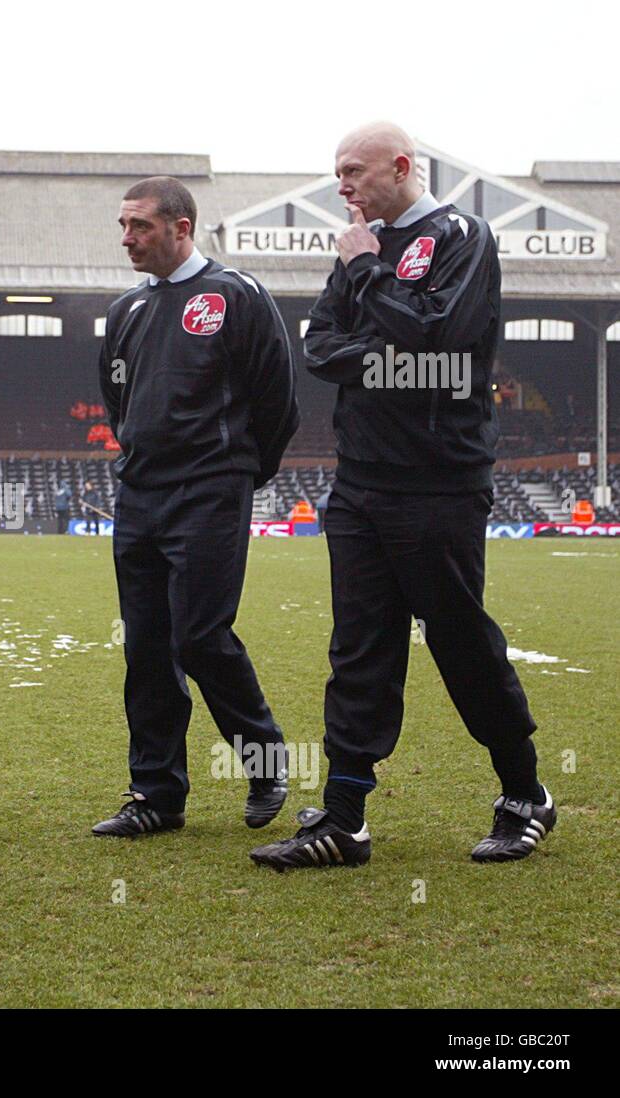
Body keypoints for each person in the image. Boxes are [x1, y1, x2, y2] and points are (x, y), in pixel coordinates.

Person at [252, 122, 551, 872]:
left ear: (402, 167)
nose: (342, 188)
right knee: (359, 646)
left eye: (353, 172)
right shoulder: (360, 248)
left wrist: (371, 283)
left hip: (439, 480)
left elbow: (443, 335)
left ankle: (525, 795)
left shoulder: (463, 236)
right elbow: (320, 345)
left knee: (457, 638)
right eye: (336, 175)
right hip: (361, 481)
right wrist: (390, 342)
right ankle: (345, 819)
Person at [94, 176, 299, 838]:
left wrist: (241, 470)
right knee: (147, 648)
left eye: (140, 226)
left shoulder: (236, 296)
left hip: (211, 489)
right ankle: (156, 795)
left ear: (182, 227)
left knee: (201, 636)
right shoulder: (125, 311)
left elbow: (278, 398)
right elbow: (117, 400)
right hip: (141, 495)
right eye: (123, 226)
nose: (127, 237)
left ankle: (266, 762)